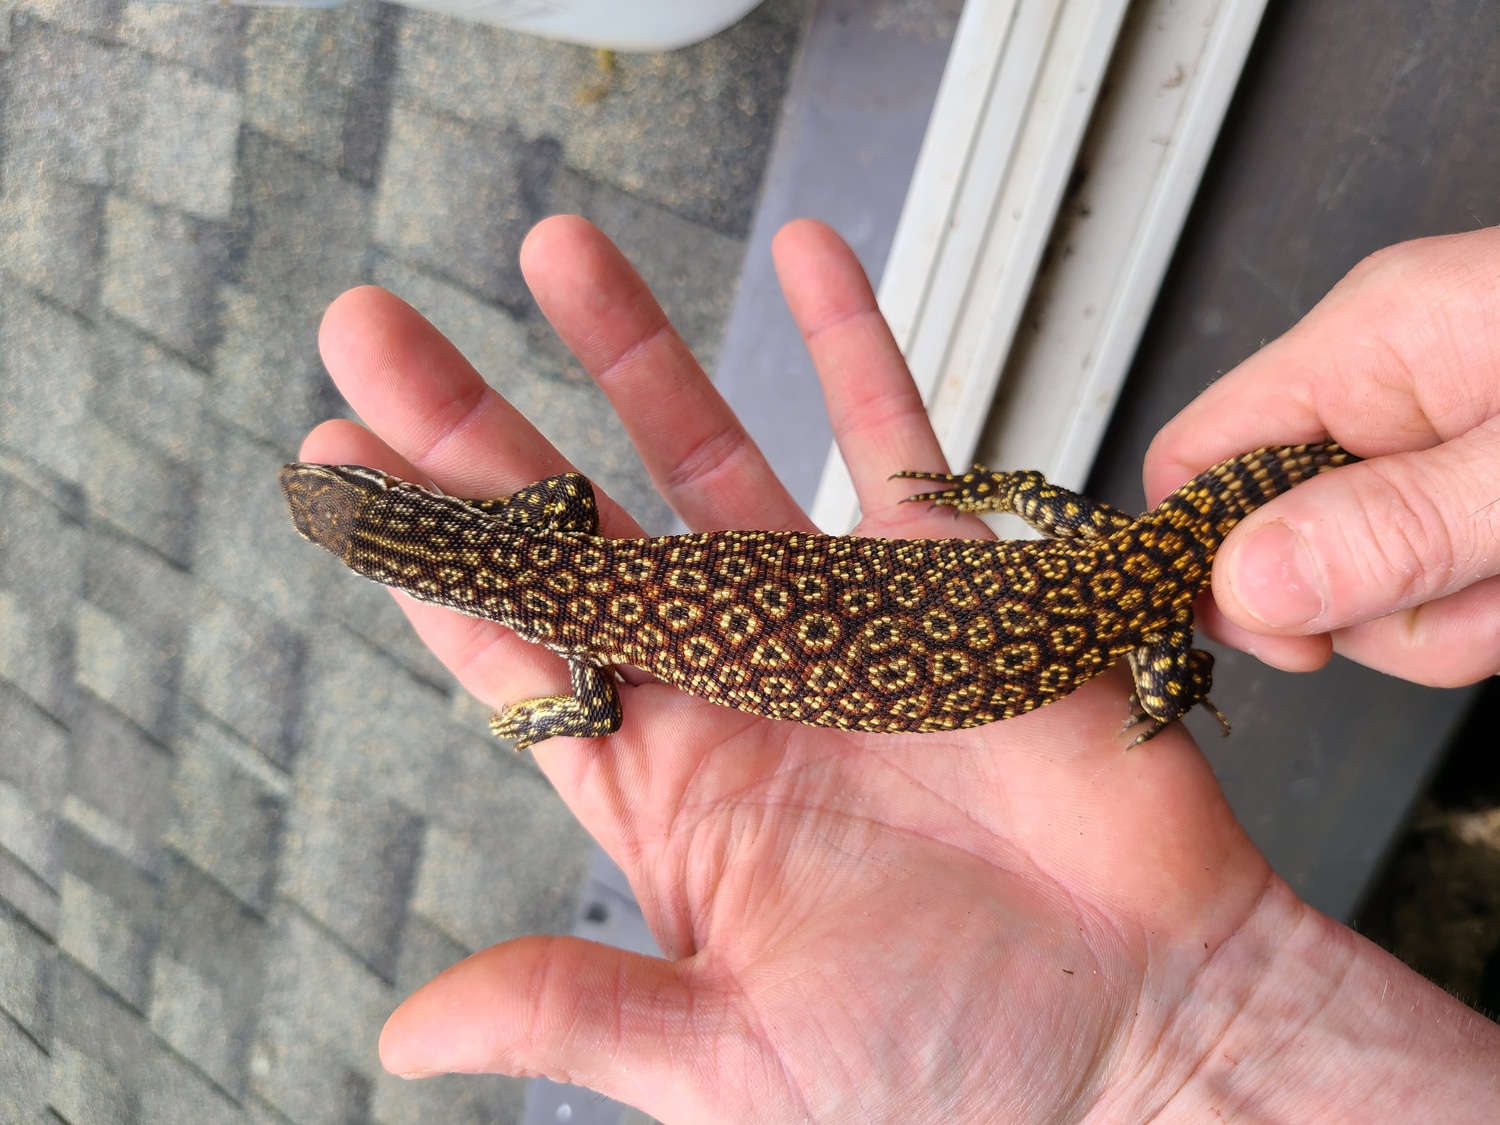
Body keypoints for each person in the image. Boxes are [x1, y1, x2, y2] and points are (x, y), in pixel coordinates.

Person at [298, 216, 1500, 1122]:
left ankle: (1160, 677)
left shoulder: (580, 637)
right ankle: (1135, 644)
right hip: (1047, 591)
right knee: (1131, 569)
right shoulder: (551, 542)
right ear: (397, 497)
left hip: (1057, 614)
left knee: (1155, 614)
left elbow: (597, 702)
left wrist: (558, 712)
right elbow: (562, 503)